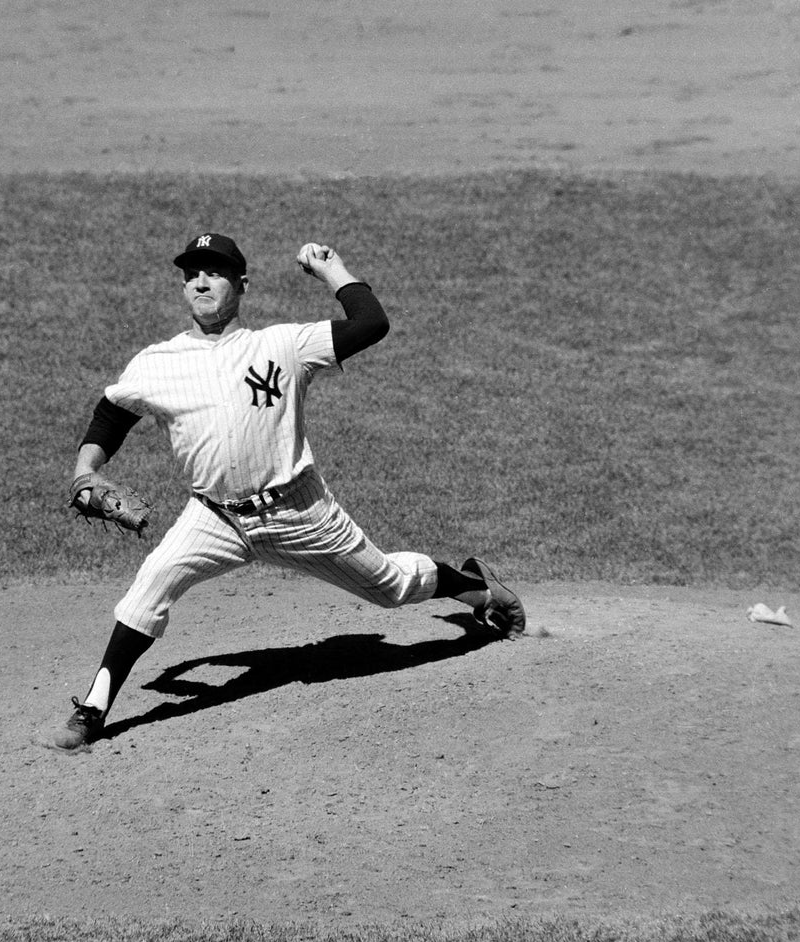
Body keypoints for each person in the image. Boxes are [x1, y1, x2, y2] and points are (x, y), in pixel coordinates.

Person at [35, 233, 525, 751]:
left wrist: (333, 270)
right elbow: (113, 410)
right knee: (149, 587)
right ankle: (91, 712)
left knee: (390, 587)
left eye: (215, 272)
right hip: (214, 518)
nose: (200, 282)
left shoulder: (283, 345)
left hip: (300, 512)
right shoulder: (156, 362)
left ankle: (478, 587)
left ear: (242, 285)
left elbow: (371, 324)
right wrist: (85, 466)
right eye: (191, 274)